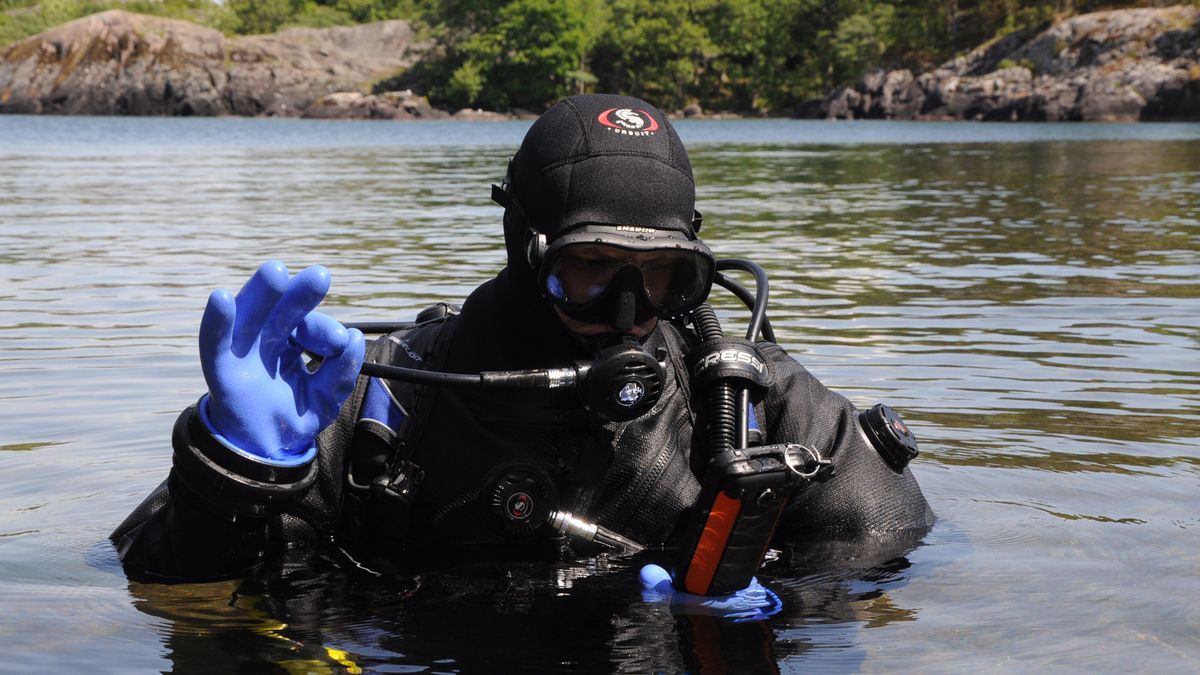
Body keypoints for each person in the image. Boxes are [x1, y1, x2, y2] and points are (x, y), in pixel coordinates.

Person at [111, 94, 934, 604]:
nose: (627, 312)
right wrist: (231, 471)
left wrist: (792, 601)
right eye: (591, 268)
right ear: (525, 250)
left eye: (662, 277)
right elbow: (160, 585)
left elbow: (900, 559)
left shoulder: (755, 403)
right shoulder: (384, 397)